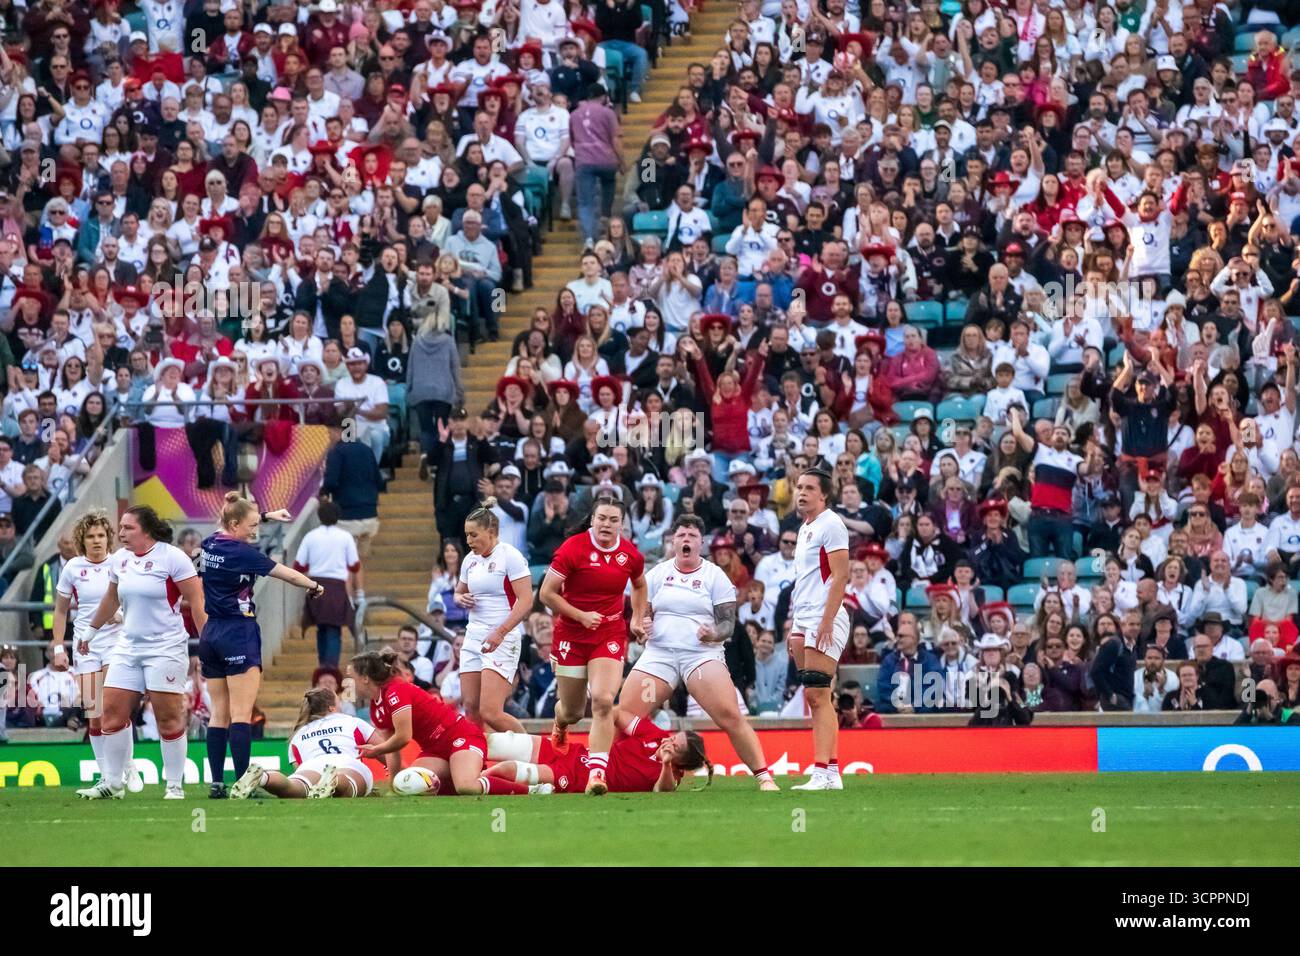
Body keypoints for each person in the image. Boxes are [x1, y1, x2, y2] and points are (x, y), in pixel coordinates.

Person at [620, 515, 778, 791]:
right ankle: (610, 772)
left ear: (701, 543)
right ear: (673, 540)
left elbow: (728, 624)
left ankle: (764, 776)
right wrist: (641, 623)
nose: (685, 541)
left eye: (691, 536)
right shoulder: (657, 574)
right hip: (660, 654)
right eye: (680, 536)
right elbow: (641, 609)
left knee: (729, 715)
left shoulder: (714, 576)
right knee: (624, 714)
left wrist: (713, 633)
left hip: (700, 655)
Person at [197, 494, 323, 798]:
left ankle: (217, 783)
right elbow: (288, 574)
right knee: (241, 714)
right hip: (237, 631)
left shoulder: (210, 543)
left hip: (211, 632)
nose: (256, 531)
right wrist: (314, 586)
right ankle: (243, 782)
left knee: (219, 713)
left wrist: (266, 515)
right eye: (252, 525)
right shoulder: (243, 553)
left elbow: (228, 520)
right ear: (236, 523)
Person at [77, 506, 207, 800]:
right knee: (110, 714)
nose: (120, 533)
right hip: (127, 647)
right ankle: (113, 782)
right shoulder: (120, 560)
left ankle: (174, 785)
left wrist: (207, 640)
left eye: (127, 528)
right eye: (120, 528)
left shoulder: (173, 558)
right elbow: (111, 598)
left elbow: (196, 601)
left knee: (168, 718)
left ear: (146, 530)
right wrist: (90, 631)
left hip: (165, 648)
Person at [539, 495, 647, 795]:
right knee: (574, 711)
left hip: (609, 632)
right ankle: (561, 722)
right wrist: (580, 616)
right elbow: (547, 594)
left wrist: (637, 617)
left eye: (614, 520)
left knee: (601, 700)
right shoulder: (573, 548)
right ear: (593, 519)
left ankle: (596, 774)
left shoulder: (630, 554)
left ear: (622, 525)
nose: (607, 525)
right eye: (602, 518)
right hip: (571, 636)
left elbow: (639, 584)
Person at [348, 647, 536, 796]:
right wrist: (394, 786)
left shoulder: (396, 691)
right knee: (412, 785)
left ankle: (530, 790)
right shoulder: (376, 707)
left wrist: (377, 749)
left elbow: (403, 737)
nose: (347, 683)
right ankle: (472, 777)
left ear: (365, 678)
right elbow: (393, 749)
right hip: (434, 751)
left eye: (351, 678)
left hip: (461, 737)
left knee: (467, 787)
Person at [51, 511, 142, 793]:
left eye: (101, 535)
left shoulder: (121, 563)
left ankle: (127, 765)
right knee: (94, 713)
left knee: (114, 708)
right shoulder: (73, 569)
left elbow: (138, 600)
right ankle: (107, 777)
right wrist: (58, 647)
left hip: (116, 644)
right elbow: (60, 610)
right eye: (91, 536)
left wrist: (122, 614)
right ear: (83, 540)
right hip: (85, 646)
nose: (96, 541)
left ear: (108, 538)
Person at [787, 468, 850, 791]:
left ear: (824, 495)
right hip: (805, 615)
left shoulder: (831, 525)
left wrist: (827, 619)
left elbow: (841, 575)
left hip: (824, 616)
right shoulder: (805, 528)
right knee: (817, 696)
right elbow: (806, 579)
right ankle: (830, 772)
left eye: (809, 488)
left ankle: (823, 771)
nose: (802, 492)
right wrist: (795, 623)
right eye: (799, 487)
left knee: (817, 693)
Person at [452, 498, 533, 732]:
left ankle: (535, 753)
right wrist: (460, 599)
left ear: (491, 531)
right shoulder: (470, 560)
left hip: (502, 636)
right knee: (471, 708)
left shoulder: (510, 556)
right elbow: (459, 592)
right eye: (467, 535)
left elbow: (526, 600)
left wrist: (500, 632)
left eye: (474, 535)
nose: (469, 541)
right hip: (474, 634)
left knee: (491, 711)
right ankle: (478, 762)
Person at [484, 710, 710, 793]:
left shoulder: (671, 776)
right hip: (574, 753)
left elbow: (662, 790)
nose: (668, 743)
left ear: (681, 762)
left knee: (508, 769)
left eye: (675, 746)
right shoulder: (656, 735)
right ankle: (458, 755)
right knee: (498, 742)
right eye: (672, 738)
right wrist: (603, 739)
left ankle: (468, 782)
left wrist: (665, 763)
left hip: (577, 777)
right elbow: (617, 713)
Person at [230, 687, 377, 799]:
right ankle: (335, 779)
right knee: (348, 787)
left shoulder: (298, 735)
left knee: (296, 787)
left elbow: (298, 768)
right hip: (346, 763)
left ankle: (263, 778)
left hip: (312, 765)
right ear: (332, 708)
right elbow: (384, 749)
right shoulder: (351, 721)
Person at [294, 498, 362, 666]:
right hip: (336, 587)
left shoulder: (310, 537)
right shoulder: (345, 537)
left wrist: (316, 563)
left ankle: (323, 664)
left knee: (321, 627)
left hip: (315, 586)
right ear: (337, 517)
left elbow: (298, 565)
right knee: (334, 628)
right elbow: (355, 565)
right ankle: (330, 666)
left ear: (319, 516)